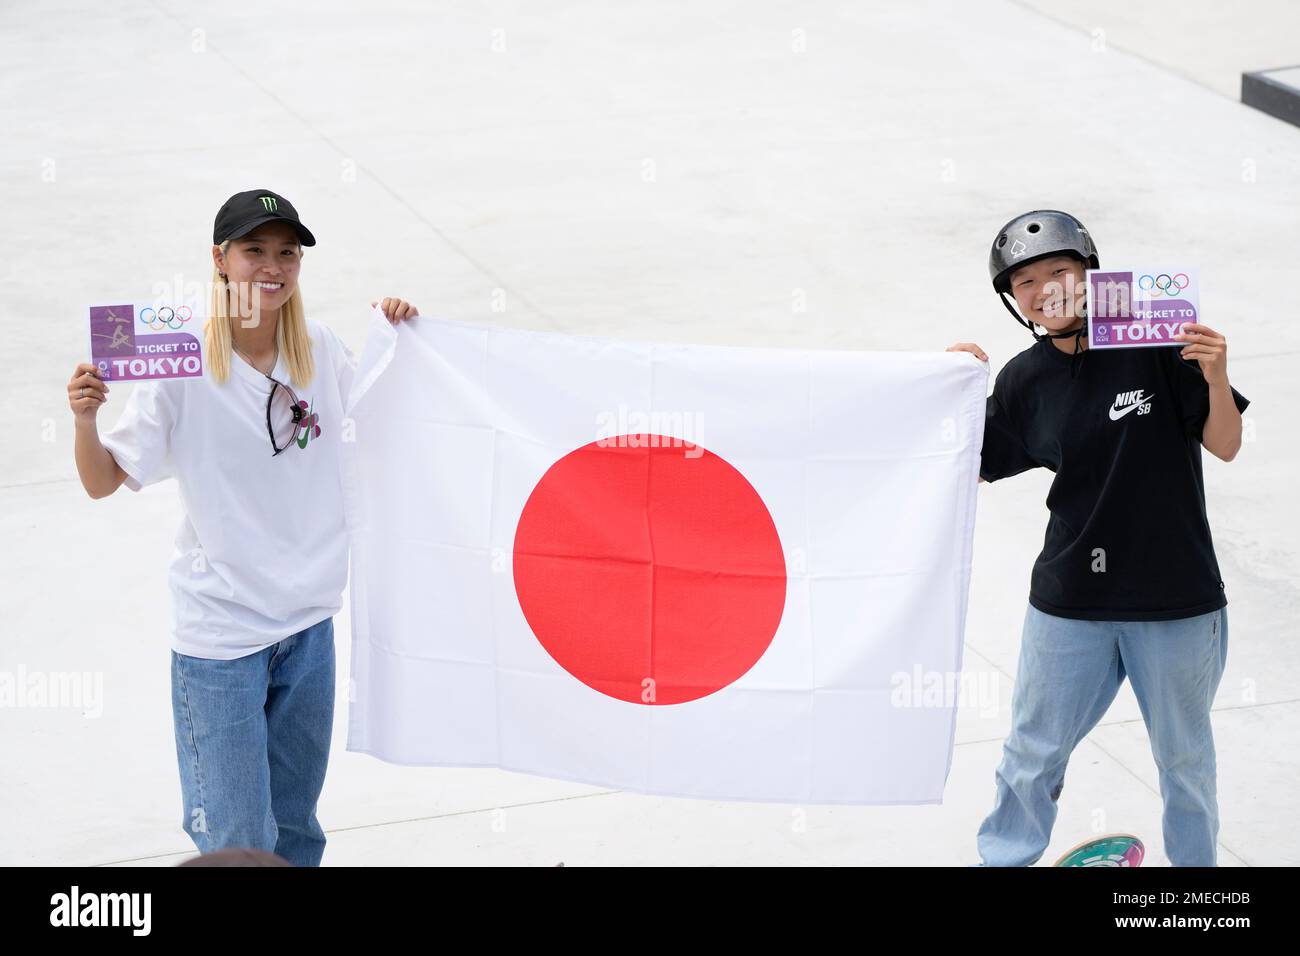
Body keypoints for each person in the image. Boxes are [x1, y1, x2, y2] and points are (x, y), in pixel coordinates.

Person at [69, 188, 418, 866]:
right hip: (221, 641)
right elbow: (103, 479)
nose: (273, 266)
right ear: (219, 260)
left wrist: (398, 337)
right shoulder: (180, 360)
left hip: (309, 628)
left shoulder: (318, 348)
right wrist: (84, 420)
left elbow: (385, 428)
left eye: (287, 253)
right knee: (236, 843)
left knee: (295, 834)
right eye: (254, 250)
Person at [948, 209, 1249, 866]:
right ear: (1012, 299)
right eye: (1024, 281)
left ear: (1091, 274)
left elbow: (1224, 444)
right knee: (1030, 758)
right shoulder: (1025, 378)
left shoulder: (1159, 344)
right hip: (1068, 600)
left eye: (1059, 270)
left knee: (1185, 765)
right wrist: (952, 392)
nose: (1045, 288)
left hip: (1177, 598)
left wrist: (1218, 375)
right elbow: (967, 465)